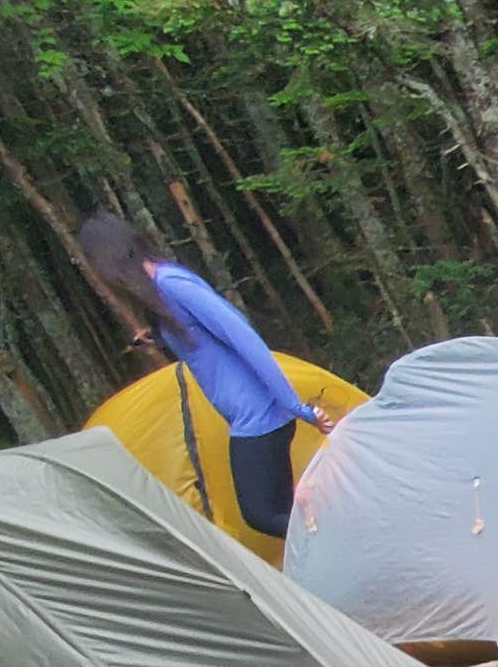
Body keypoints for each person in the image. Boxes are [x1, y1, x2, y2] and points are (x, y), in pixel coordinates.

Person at [75, 213, 337, 538]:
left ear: (107, 257)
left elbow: (243, 336)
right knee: (286, 510)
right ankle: (330, 559)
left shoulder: (171, 284)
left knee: (261, 515)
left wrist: (296, 406)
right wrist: (158, 338)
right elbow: (202, 338)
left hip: (260, 417)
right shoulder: (158, 290)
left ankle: (344, 537)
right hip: (256, 415)